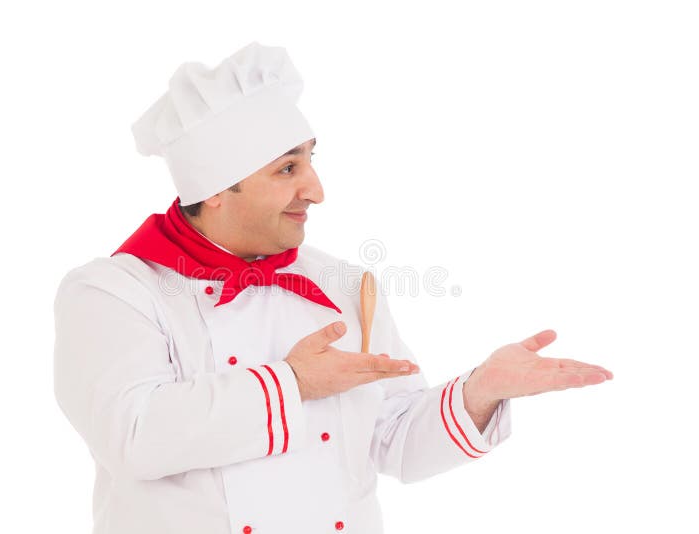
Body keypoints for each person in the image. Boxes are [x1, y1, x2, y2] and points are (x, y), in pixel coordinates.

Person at [52, 41, 613, 534]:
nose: (315, 190)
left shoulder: (345, 284)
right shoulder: (112, 292)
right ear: (217, 189)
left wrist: (481, 391)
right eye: (287, 170)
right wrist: (292, 384)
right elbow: (134, 437)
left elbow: (393, 440)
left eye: (310, 161)